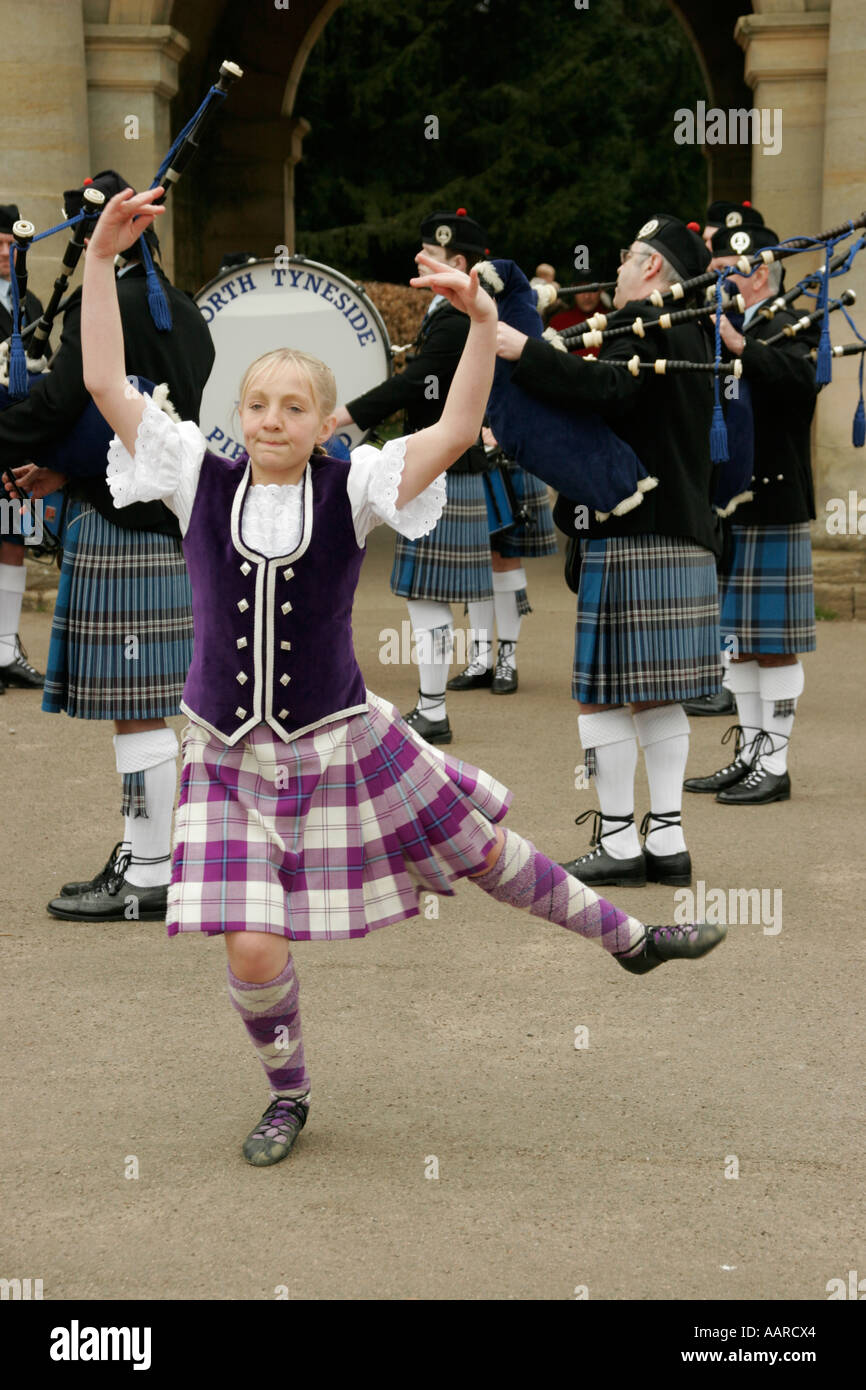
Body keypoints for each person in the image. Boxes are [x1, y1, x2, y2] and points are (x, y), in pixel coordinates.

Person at [82, 187, 726, 1166]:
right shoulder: (189, 478)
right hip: (222, 754)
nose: (271, 420)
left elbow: (459, 428)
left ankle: (626, 936)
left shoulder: (357, 488)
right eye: (257, 404)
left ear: (320, 418)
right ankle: (287, 1093)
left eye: (292, 407)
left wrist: (477, 326)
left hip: (344, 737)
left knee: (485, 853)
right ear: (236, 412)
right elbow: (103, 385)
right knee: (251, 946)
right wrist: (96, 261)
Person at [2, 169, 215, 919]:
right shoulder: (183, 311)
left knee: (136, 708)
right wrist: (66, 463)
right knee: (146, 705)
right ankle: (143, 848)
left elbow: (66, 399)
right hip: (162, 520)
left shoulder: (111, 302)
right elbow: (146, 426)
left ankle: (152, 869)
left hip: (121, 524)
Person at [496, 215, 722, 889]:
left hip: (633, 533)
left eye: (628, 257)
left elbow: (606, 390)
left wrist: (523, 350)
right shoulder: (689, 328)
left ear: (652, 267)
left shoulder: (648, 325)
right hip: (680, 532)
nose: (618, 268)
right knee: (658, 697)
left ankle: (622, 841)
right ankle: (669, 840)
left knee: (605, 699)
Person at [331, 208, 494, 745]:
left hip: (441, 470)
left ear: (460, 263)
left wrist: (345, 415)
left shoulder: (453, 316)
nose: (419, 261)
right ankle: (432, 705)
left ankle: (433, 710)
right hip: (444, 468)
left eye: (433, 256)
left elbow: (417, 384)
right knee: (428, 596)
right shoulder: (448, 313)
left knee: (427, 596)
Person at [684, 221, 818, 805]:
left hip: (775, 497)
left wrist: (743, 349)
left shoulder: (791, 323)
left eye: (724, 271)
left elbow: (802, 381)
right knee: (738, 639)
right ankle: (750, 752)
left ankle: (777, 763)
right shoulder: (732, 325)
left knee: (775, 641)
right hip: (735, 499)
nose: (716, 281)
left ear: (758, 271)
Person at [446, 421, 557, 695]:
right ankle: (481, 660)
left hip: (515, 450)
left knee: (506, 556)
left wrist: (505, 426)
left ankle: (508, 659)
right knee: (478, 557)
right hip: (471, 452)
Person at [0, 202, 47, 693]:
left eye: (10, 243)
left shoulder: (32, 302)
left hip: (18, 442)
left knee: (13, 541)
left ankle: (6, 651)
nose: (4, 251)